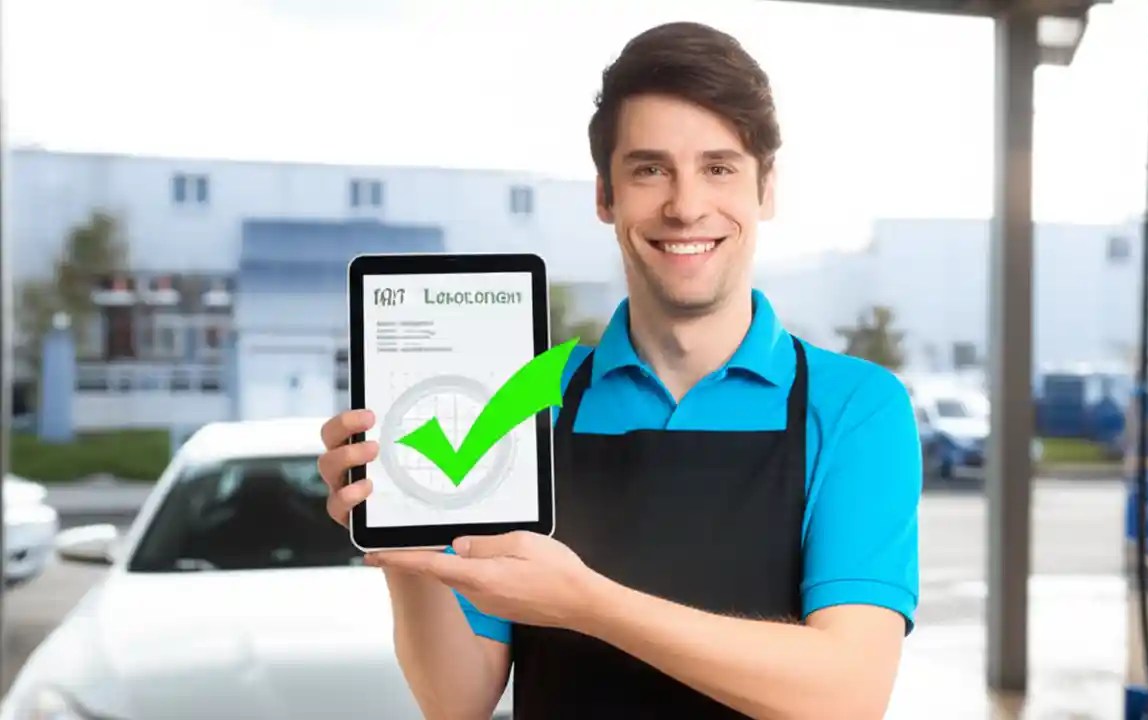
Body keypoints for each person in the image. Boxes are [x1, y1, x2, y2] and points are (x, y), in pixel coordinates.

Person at [318, 20, 921, 719]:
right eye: (650, 169)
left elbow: (846, 695)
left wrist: (588, 605)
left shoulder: (855, 406)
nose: (686, 206)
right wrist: (407, 537)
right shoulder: (526, 394)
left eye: (719, 168)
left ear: (766, 189)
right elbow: (457, 700)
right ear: (605, 196)